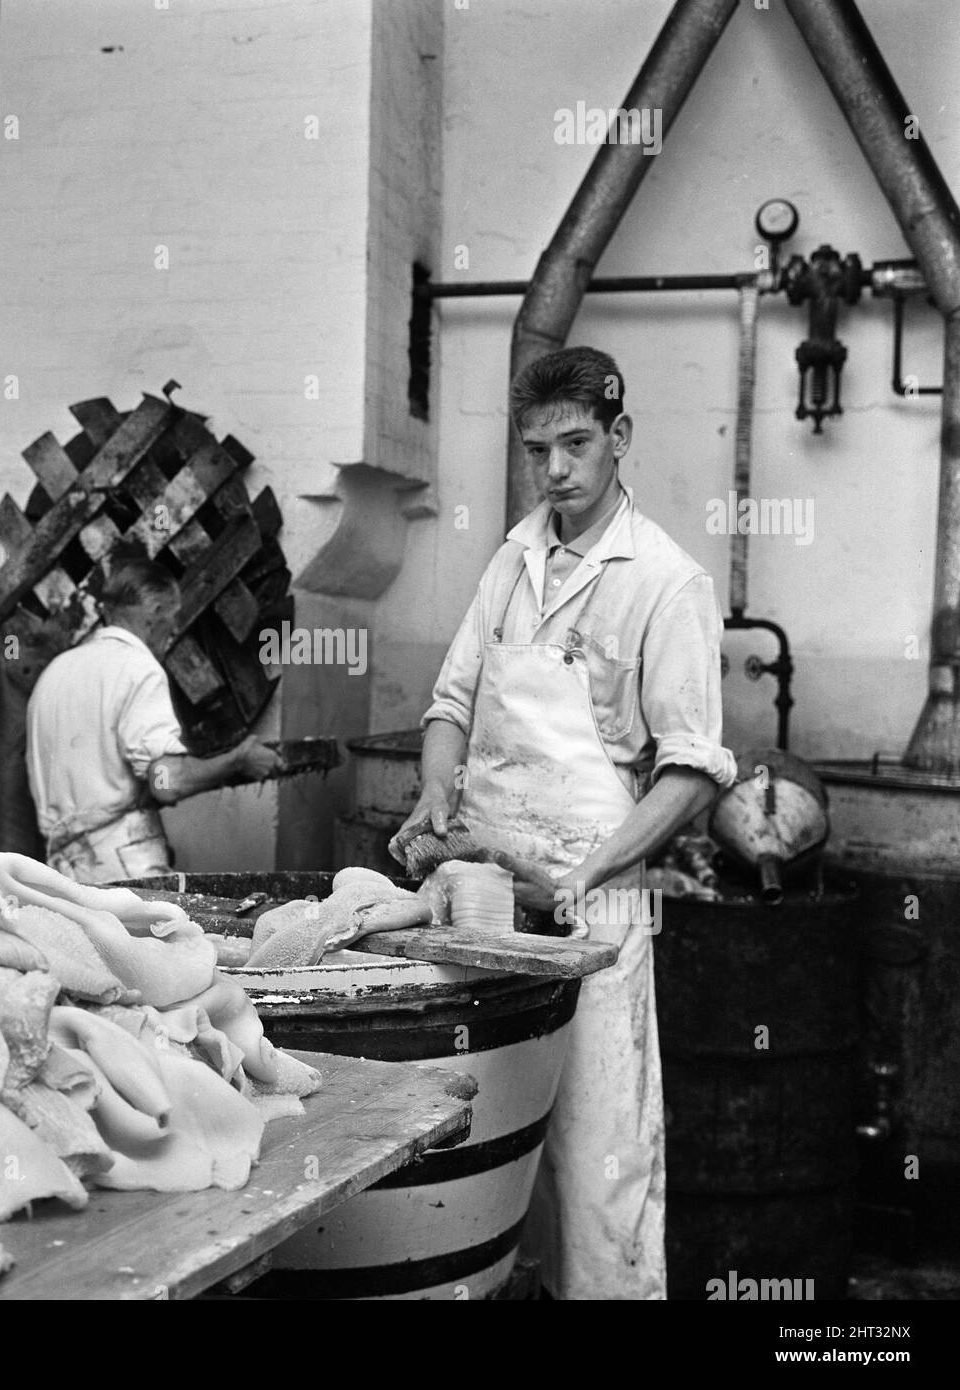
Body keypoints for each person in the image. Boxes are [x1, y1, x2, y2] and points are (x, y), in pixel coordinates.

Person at [391, 345, 737, 1300]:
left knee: (597, 1164)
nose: (554, 470)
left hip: (594, 915)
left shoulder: (664, 582)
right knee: (486, 1150)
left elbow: (693, 771)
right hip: (482, 907)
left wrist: (586, 872)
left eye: (575, 444)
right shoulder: (512, 557)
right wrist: (434, 794)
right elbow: (451, 703)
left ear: (618, 438)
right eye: (536, 448)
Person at [25, 546, 282, 884]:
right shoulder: (138, 668)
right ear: (156, 612)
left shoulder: (54, 674)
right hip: (123, 865)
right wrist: (238, 760)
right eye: (173, 624)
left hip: (60, 870)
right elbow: (165, 782)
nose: (173, 636)